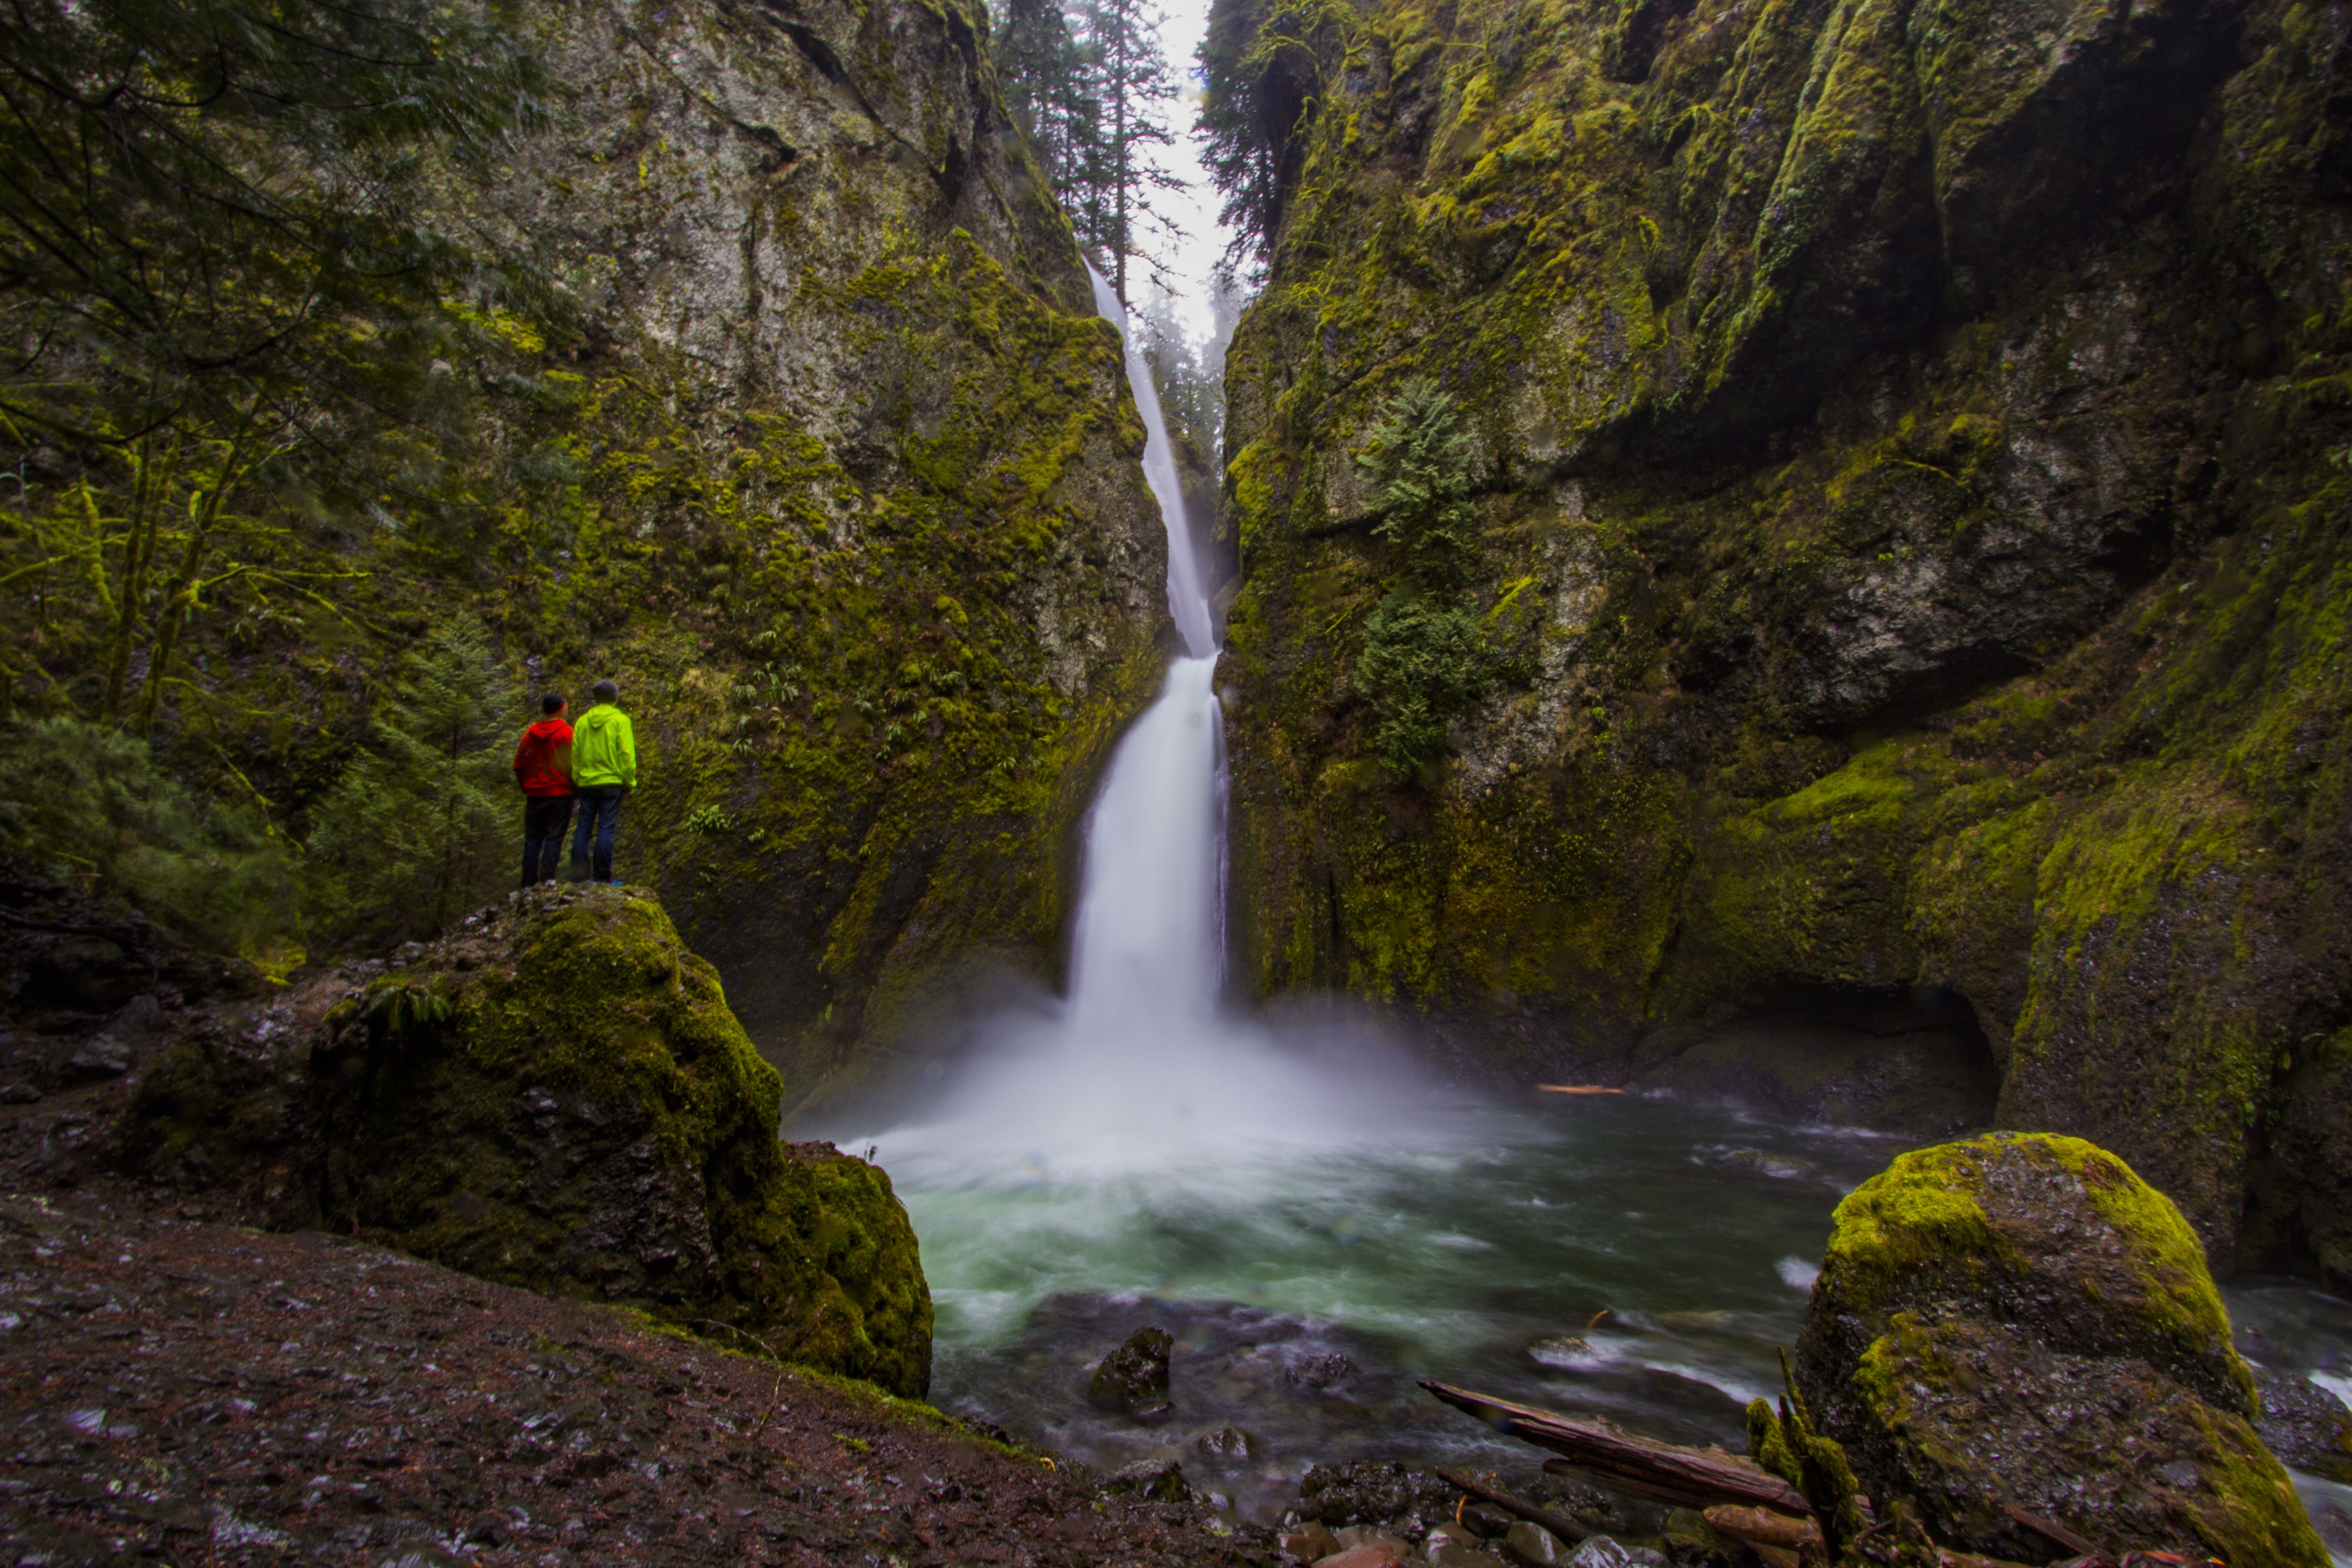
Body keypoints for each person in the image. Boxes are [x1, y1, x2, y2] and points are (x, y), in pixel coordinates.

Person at [568, 679, 637, 884]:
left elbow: (576, 756)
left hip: (587, 783)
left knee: (583, 829)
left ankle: (579, 878)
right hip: (612, 783)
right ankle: (602, 878)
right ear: (615, 699)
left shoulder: (582, 722)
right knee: (606, 829)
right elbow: (626, 755)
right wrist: (629, 782)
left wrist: (577, 781)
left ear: (596, 699)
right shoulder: (621, 721)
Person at [512, 692, 574, 888]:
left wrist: (526, 786)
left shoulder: (530, 734)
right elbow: (575, 765)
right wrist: (576, 788)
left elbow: (519, 765)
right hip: (560, 794)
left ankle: (528, 884)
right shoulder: (567, 734)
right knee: (554, 839)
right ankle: (547, 882)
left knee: (532, 840)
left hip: (535, 794)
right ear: (563, 708)